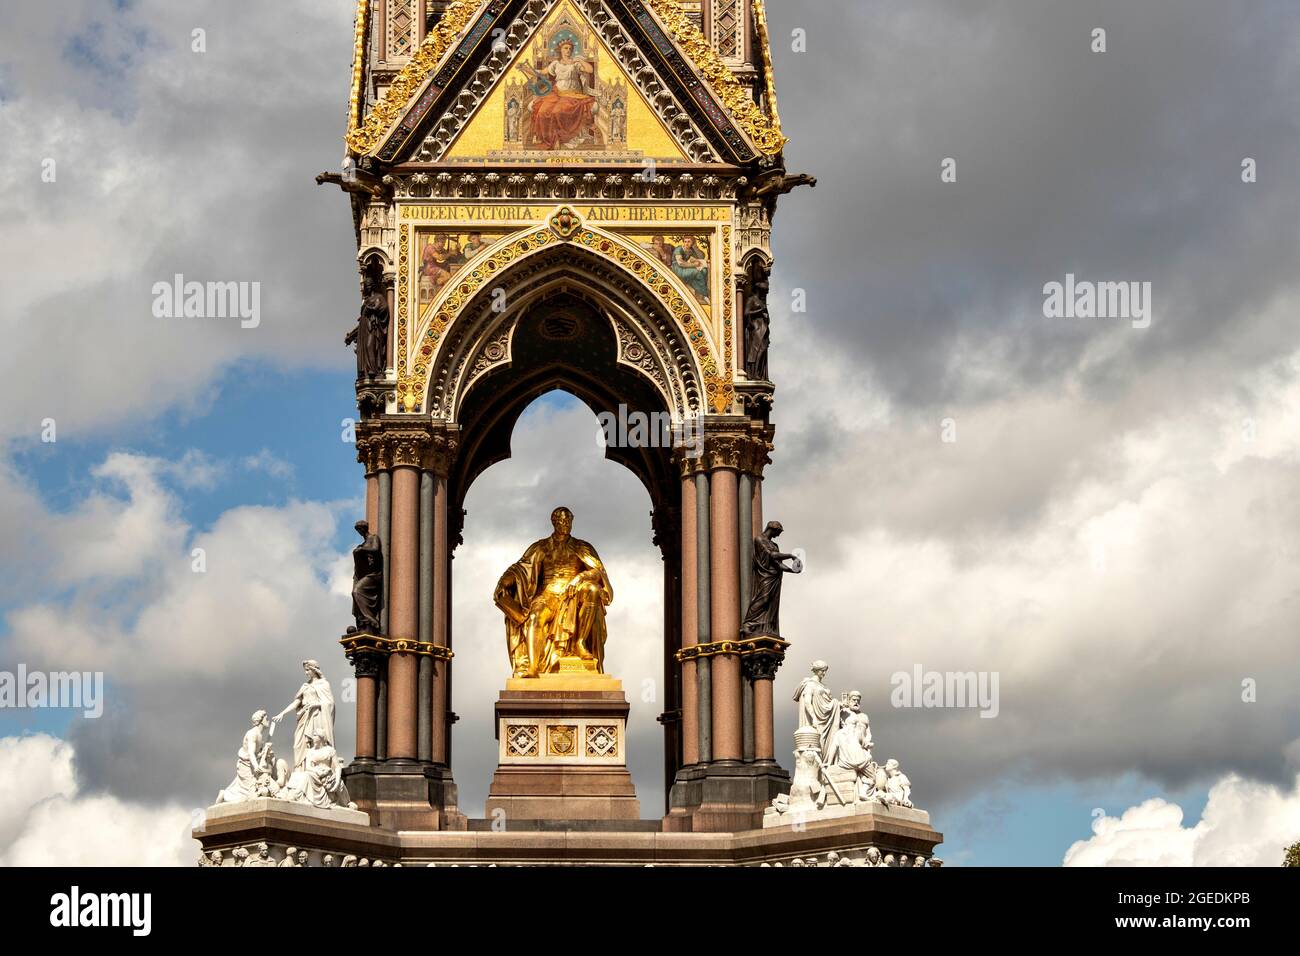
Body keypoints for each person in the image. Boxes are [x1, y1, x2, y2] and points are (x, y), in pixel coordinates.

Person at [494, 507, 613, 677]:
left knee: (592, 589)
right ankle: (533, 668)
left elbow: (598, 572)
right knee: (535, 617)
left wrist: (579, 578)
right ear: (554, 522)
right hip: (547, 594)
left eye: (568, 521)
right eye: (562, 521)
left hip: (574, 593)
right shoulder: (541, 547)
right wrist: (507, 579)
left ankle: (580, 642)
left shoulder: (582, 546)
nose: (566, 524)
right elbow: (521, 568)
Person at [522, 40, 598, 149]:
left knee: (557, 111)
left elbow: (590, 70)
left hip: (572, 94)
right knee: (543, 110)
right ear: (560, 50)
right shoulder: (555, 64)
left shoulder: (575, 64)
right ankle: (550, 138)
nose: (568, 50)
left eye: (570, 49)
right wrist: (526, 69)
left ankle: (558, 138)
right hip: (556, 93)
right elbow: (541, 72)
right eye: (565, 48)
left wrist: (580, 60)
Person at [272, 660, 336, 773]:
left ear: (314, 669)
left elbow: (330, 703)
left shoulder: (324, 684)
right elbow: (297, 702)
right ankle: (301, 769)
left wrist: (315, 704)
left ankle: (313, 769)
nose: (306, 673)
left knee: (314, 741)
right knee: (298, 744)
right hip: (304, 716)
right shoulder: (305, 686)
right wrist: (282, 713)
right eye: (305, 670)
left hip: (316, 716)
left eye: (308, 670)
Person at [672, 236, 710, 302]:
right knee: (697, 273)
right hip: (678, 269)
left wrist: (701, 262)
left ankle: (701, 294)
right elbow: (680, 263)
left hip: (686, 268)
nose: (686, 243)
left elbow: (696, 258)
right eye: (685, 241)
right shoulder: (679, 249)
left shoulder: (691, 250)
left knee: (704, 271)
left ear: (692, 243)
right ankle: (704, 294)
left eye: (689, 242)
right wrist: (694, 264)